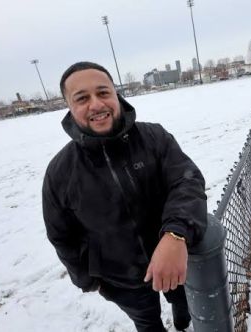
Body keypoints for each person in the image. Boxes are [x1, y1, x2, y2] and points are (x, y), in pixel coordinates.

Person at [42, 61, 207, 332]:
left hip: (174, 260)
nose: (96, 104)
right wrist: (87, 279)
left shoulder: (154, 137)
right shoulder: (60, 172)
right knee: (147, 323)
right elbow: (61, 235)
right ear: (70, 108)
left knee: (184, 303)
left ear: (116, 95)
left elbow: (186, 181)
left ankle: (183, 322)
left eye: (103, 92)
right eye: (82, 98)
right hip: (122, 281)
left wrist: (176, 234)